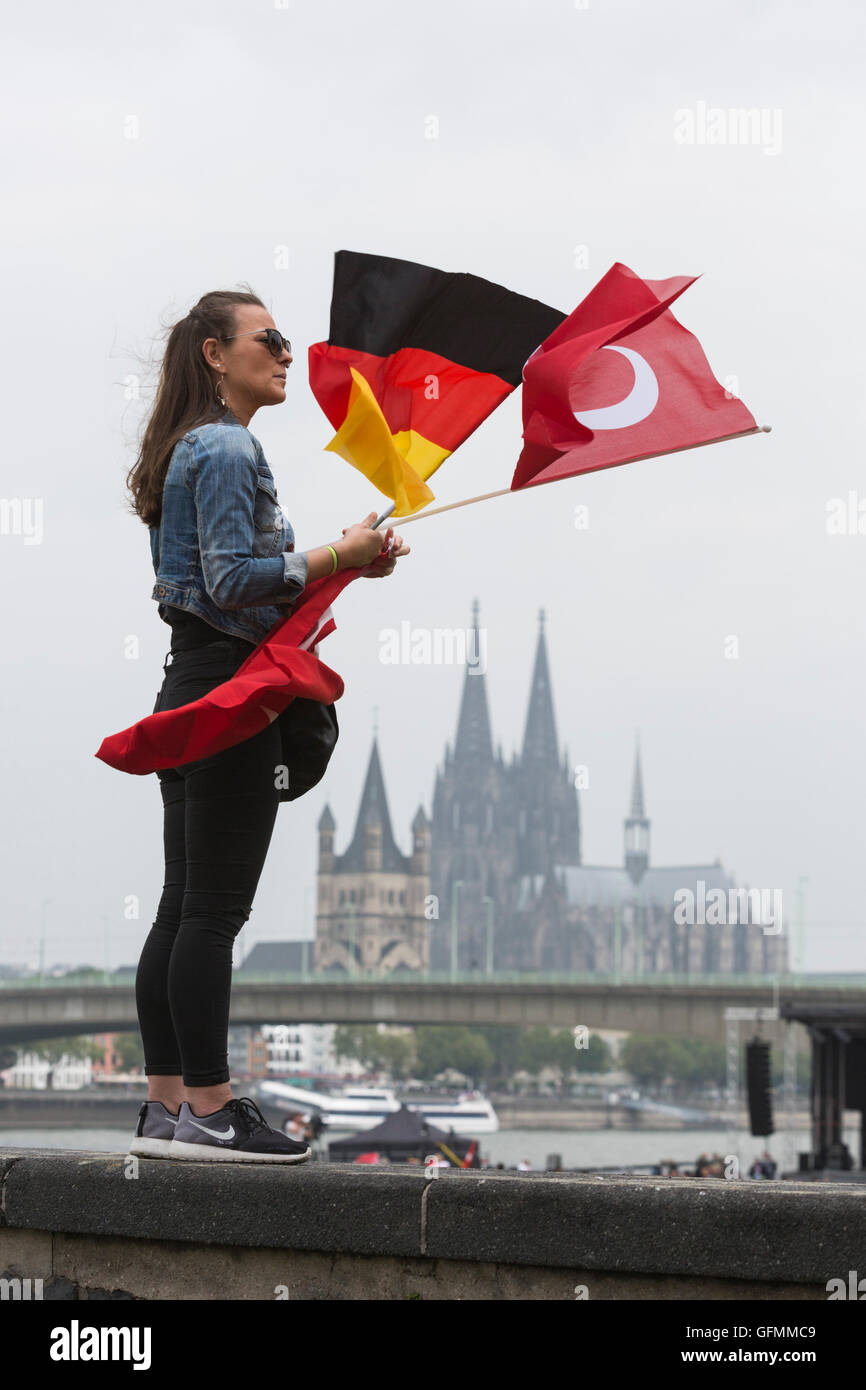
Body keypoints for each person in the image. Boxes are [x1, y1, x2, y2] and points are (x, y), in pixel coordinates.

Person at [126, 289, 409, 1163]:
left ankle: (169, 1110)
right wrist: (335, 557)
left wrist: (346, 564)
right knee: (213, 911)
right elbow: (231, 580)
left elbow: (242, 578)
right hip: (229, 692)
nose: (287, 354)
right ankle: (212, 1110)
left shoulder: (192, 446)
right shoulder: (223, 444)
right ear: (216, 354)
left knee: (180, 907)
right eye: (271, 340)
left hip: (191, 682)